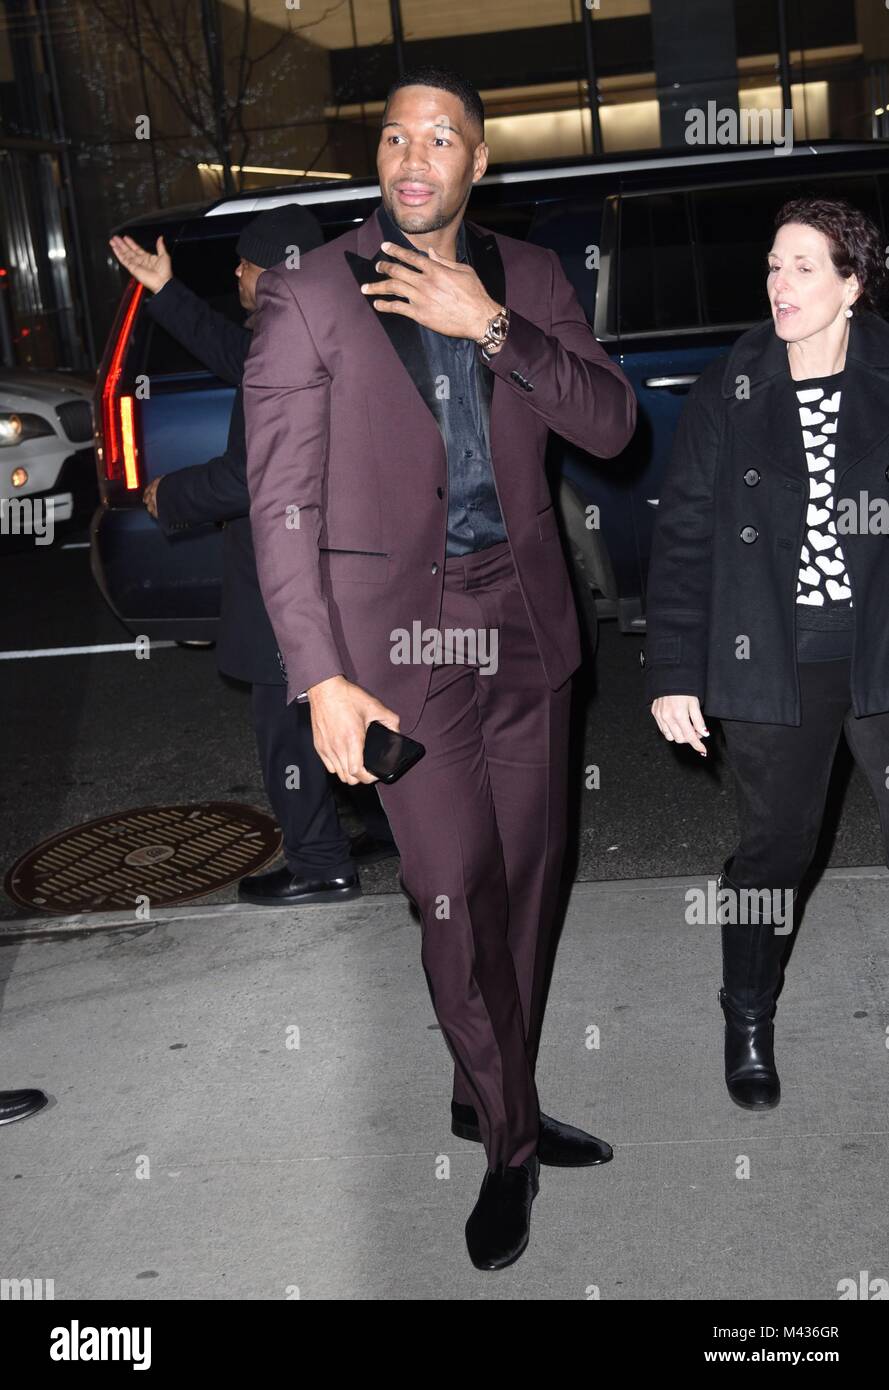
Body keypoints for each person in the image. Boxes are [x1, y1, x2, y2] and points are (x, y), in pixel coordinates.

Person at [243, 66, 636, 1269]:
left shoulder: (529, 278)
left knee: (528, 875)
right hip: (394, 650)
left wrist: (493, 329)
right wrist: (318, 674)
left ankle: (484, 1085)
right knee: (454, 891)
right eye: (395, 136)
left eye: (442, 137)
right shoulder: (310, 296)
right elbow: (281, 506)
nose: (414, 156)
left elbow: (615, 424)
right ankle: (508, 1143)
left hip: (522, 623)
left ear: (479, 161)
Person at [644, 196, 889, 1111]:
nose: (779, 285)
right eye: (773, 267)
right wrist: (673, 672)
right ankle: (747, 1013)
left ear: (851, 284)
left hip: (878, 650)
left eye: (803, 268)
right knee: (774, 851)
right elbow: (684, 538)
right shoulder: (731, 385)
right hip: (769, 657)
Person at [109, 208, 398, 908]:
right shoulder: (317, 325)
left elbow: (252, 474)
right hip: (338, 560)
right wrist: (165, 290)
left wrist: (169, 494)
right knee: (348, 697)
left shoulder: (295, 338)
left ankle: (318, 863)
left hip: (293, 571)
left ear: (269, 273)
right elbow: (239, 360)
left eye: (243, 263)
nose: (235, 272)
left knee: (287, 720)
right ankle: (390, 820)